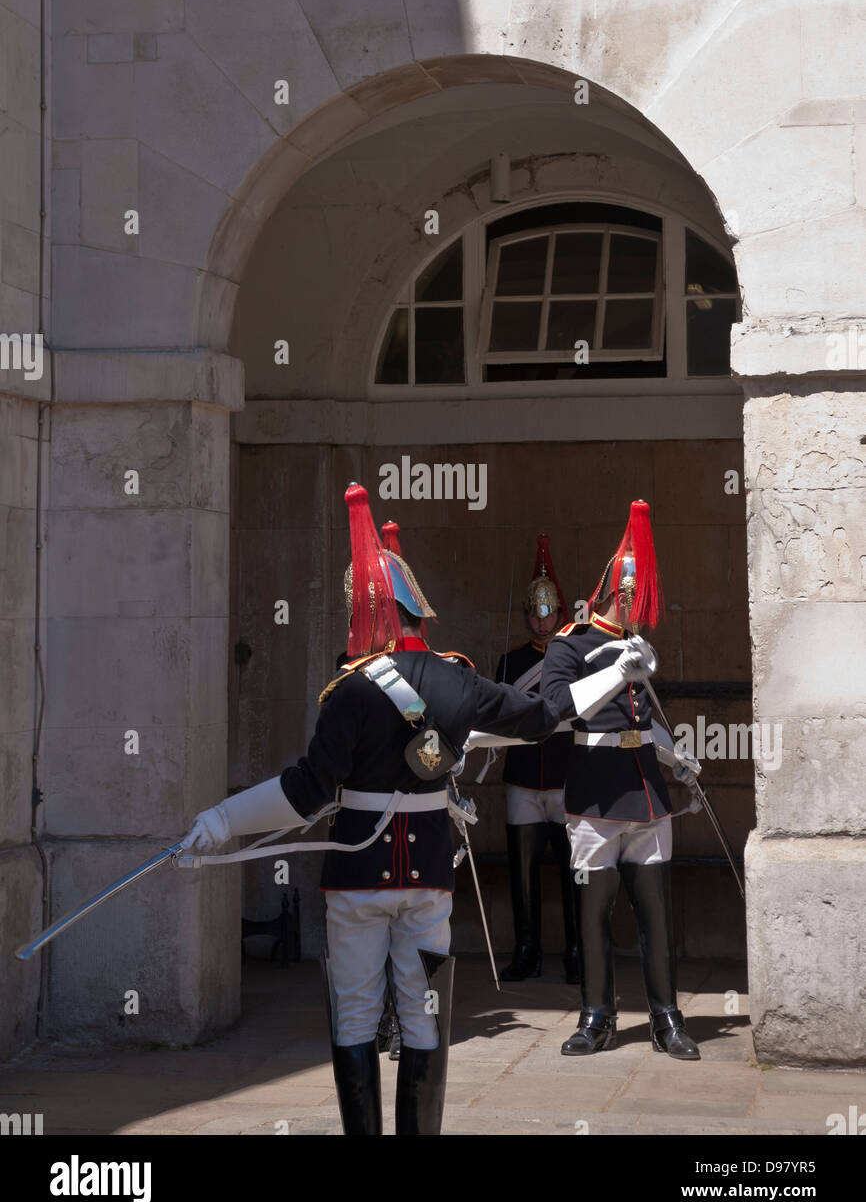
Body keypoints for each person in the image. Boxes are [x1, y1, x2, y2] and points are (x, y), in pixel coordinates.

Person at [181, 484, 560, 1134]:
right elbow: (540, 718)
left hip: (356, 880)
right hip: (428, 878)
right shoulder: (456, 678)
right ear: (415, 610)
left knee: (355, 1020)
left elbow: (307, 791)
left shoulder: (349, 691)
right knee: (422, 1021)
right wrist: (599, 671)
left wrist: (220, 821)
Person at [540, 500, 701, 1061]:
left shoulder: (640, 646)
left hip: (647, 796)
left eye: (643, 597)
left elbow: (643, 721)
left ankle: (666, 1018)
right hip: (594, 796)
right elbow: (556, 707)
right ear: (613, 589)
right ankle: (596, 1016)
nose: (637, 605)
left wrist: (675, 756)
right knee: (593, 915)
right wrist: (614, 669)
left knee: (656, 914)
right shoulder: (572, 642)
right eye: (632, 594)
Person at [492, 535, 580, 983]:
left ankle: (577, 950)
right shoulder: (510, 663)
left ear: (559, 613)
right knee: (521, 871)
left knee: (574, 869)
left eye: (548, 611)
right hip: (524, 777)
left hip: (565, 774)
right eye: (534, 611)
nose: (541, 620)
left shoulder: (571, 658)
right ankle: (526, 948)